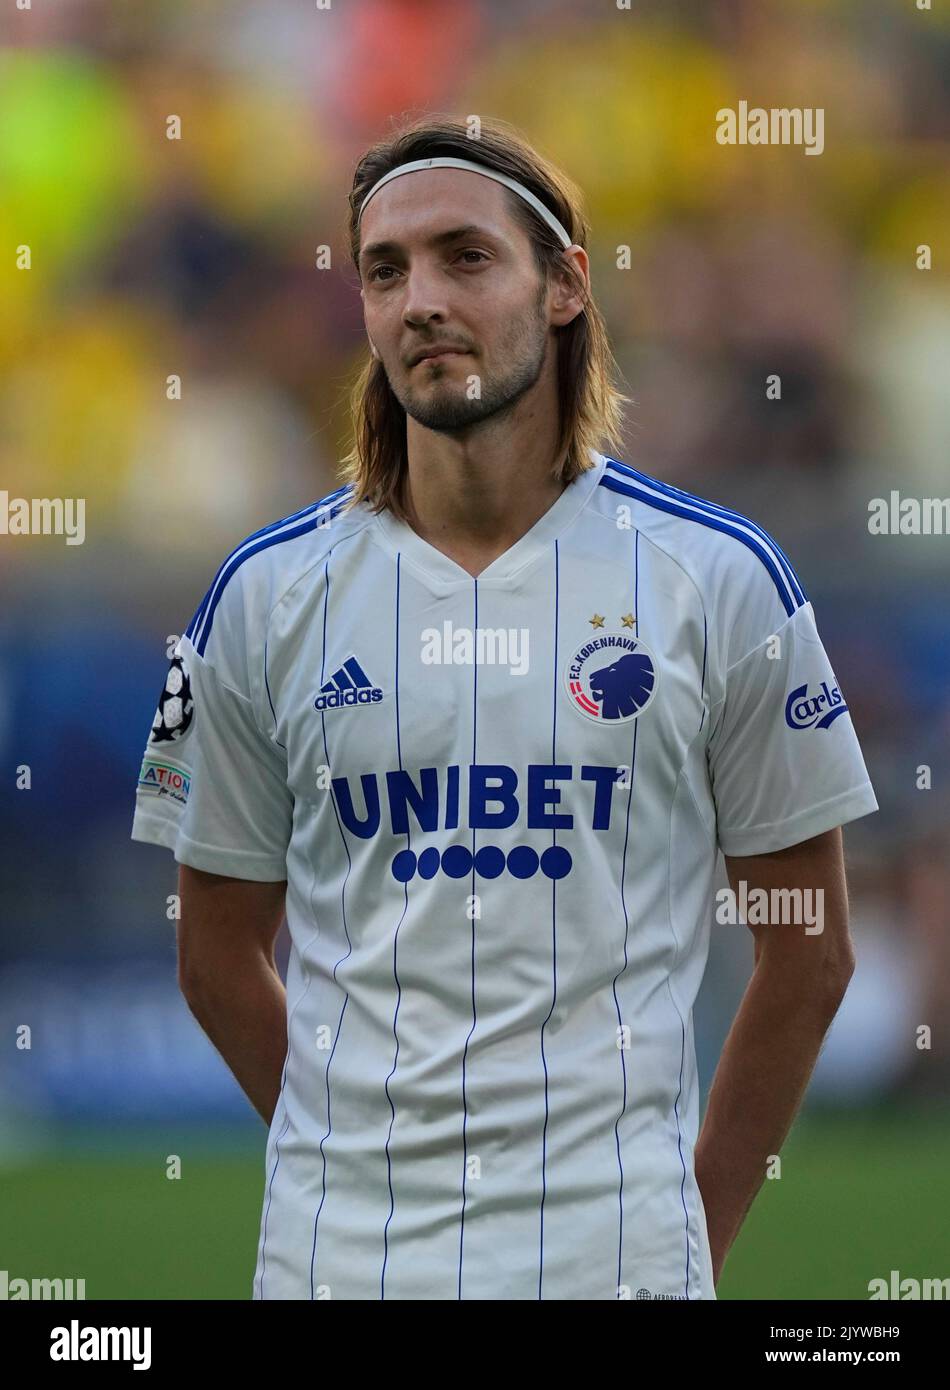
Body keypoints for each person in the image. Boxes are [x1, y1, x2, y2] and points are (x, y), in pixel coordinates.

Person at [131, 117, 879, 1300]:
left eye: (463, 257)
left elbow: (807, 949)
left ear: (566, 286)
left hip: (614, 1270)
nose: (419, 299)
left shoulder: (716, 580)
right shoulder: (262, 598)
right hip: (337, 1271)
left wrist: (689, 1224)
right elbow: (214, 956)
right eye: (386, 271)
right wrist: (352, 1158)